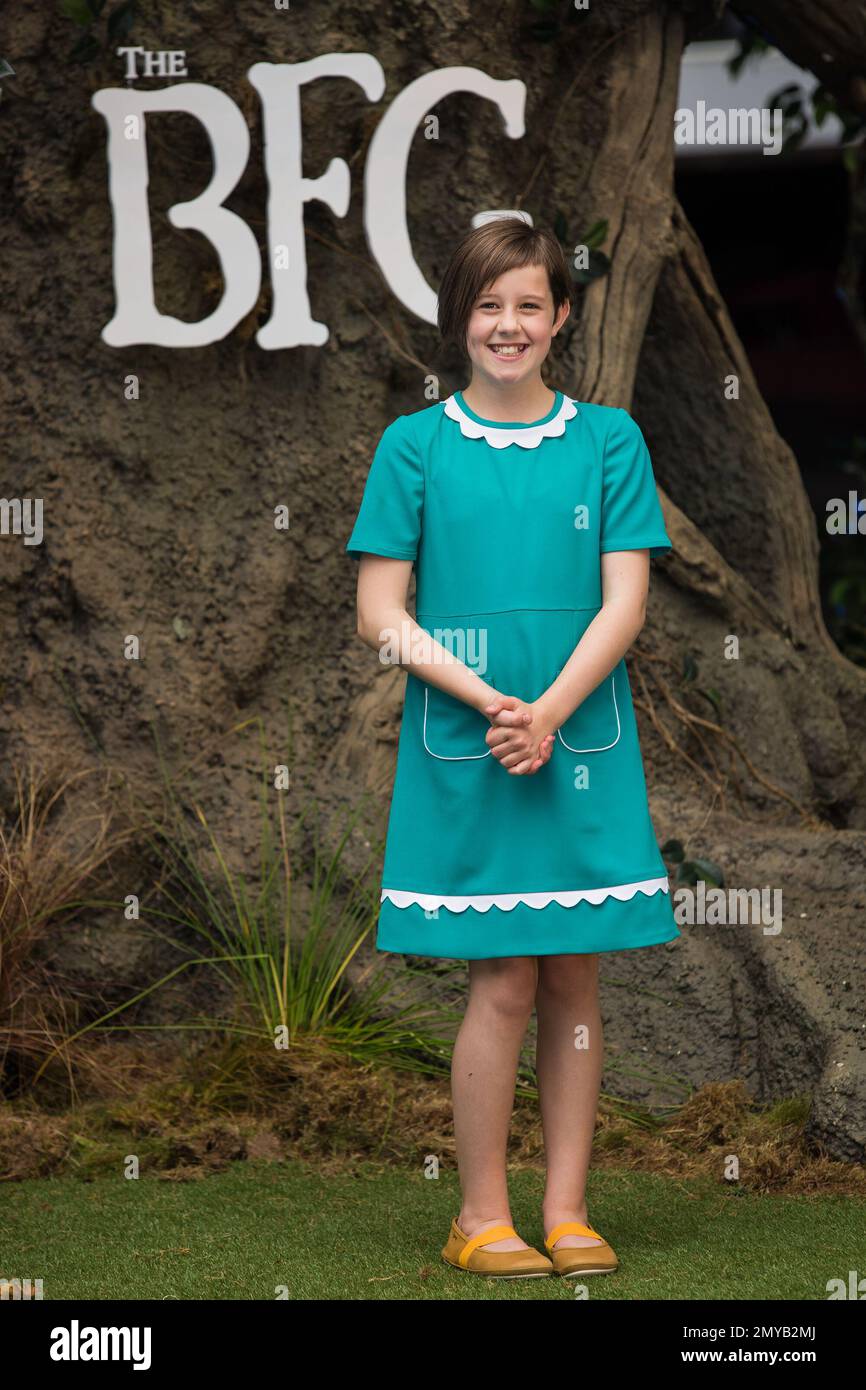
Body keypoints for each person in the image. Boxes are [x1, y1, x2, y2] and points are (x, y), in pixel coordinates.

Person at [345, 216, 680, 1280]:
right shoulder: (414, 446)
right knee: (501, 979)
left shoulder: (608, 439)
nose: (507, 324)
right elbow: (378, 612)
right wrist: (493, 700)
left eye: (528, 304)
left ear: (561, 316)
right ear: (460, 317)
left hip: (578, 738)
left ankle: (568, 1211)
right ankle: (479, 1216)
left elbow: (623, 602)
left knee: (574, 974)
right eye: (488, 304)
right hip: (470, 739)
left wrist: (549, 712)